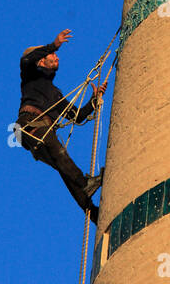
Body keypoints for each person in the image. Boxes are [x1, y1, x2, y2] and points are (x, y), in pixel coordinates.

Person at [17, 29, 107, 221]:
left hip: (39, 133)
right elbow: (26, 61)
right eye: (52, 55)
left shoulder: (55, 94)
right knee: (60, 153)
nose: (56, 56)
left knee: (64, 168)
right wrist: (53, 44)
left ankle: (91, 210)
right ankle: (86, 184)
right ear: (41, 61)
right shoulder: (31, 76)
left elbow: (78, 116)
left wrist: (94, 99)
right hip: (29, 125)